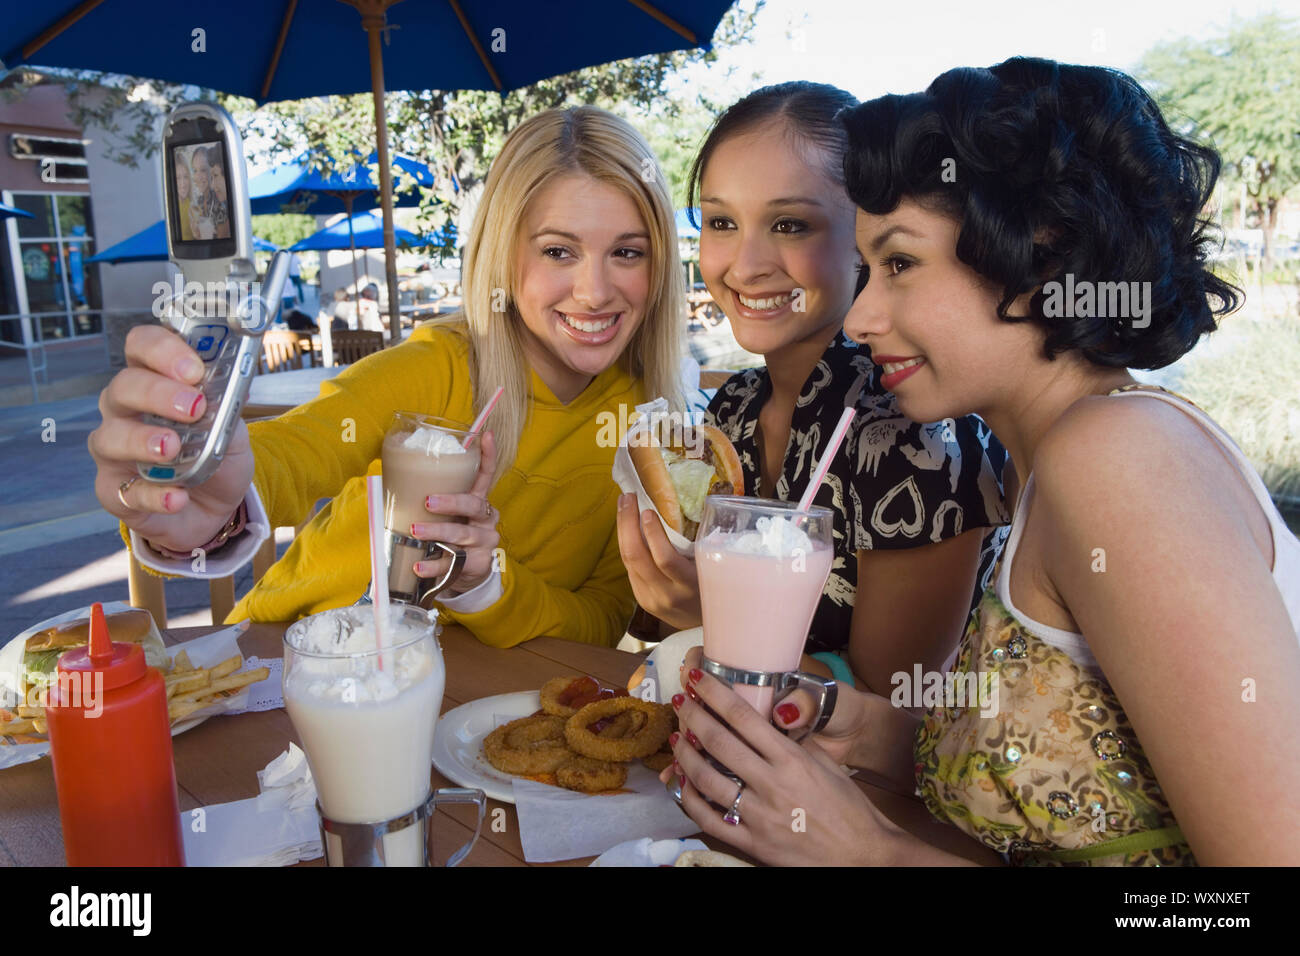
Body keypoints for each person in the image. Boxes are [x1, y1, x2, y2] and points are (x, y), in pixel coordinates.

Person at [664, 58, 1300, 866]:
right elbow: (1080, 788)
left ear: (1040, 258)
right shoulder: (1056, 462)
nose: (860, 318)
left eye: (899, 264)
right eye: (867, 269)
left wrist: (872, 853)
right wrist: (875, 735)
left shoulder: (1119, 459)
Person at [89, 106, 685, 648]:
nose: (595, 292)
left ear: (658, 265)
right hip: (286, 652)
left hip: (467, 707)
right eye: (558, 251)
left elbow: (602, 619)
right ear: (504, 256)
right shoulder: (437, 367)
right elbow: (299, 448)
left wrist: (485, 587)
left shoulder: (649, 428)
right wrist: (206, 505)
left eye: (627, 253)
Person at [618, 83, 1008, 693]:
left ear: (867, 237)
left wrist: (712, 617)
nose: (745, 265)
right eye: (721, 222)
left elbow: (896, 702)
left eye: (789, 224)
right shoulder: (734, 407)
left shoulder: (917, 430)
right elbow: (669, 640)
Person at [173, 154, 193, 242]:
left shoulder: (192, 205)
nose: (183, 183)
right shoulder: (173, 210)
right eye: (178, 178)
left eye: (185, 177)